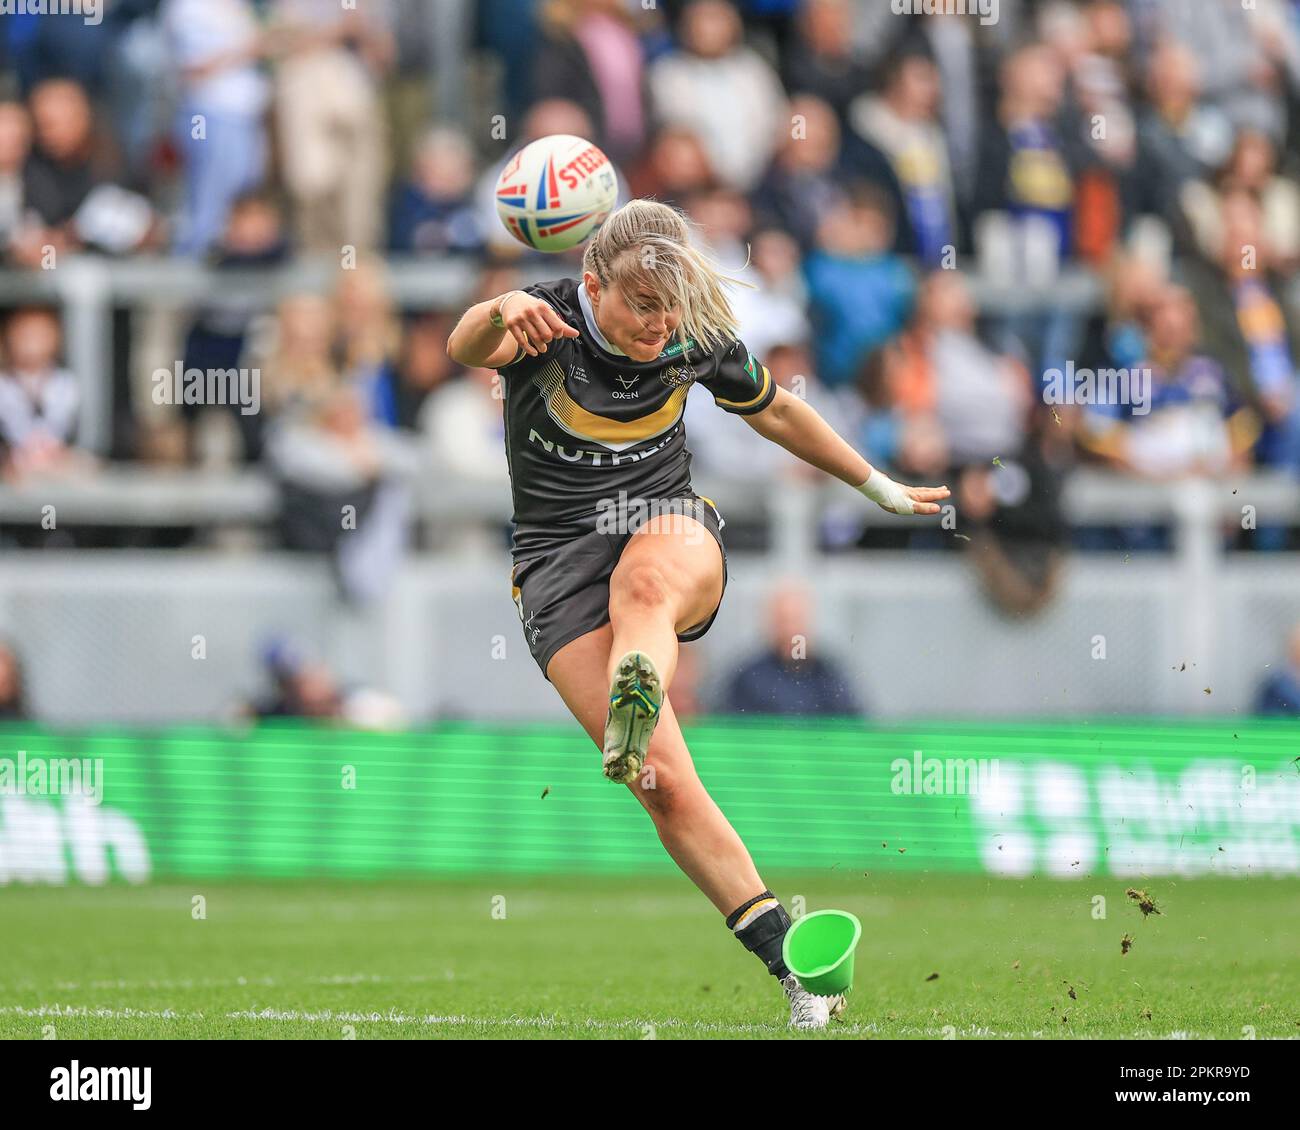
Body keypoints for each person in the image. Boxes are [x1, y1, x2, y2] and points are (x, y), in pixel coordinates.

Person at [446, 198, 948, 1029]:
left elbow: (777, 410)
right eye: (643, 306)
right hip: (555, 567)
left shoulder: (693, 335)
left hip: (665, 528)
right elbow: (463, 347)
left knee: (641, 592)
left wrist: (878, 485)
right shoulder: (543, 323)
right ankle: (797, 967)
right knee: (663, 785)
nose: (660, 325)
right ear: (592, 284)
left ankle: (638, 676)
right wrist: (497, 307)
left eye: (672, 307)